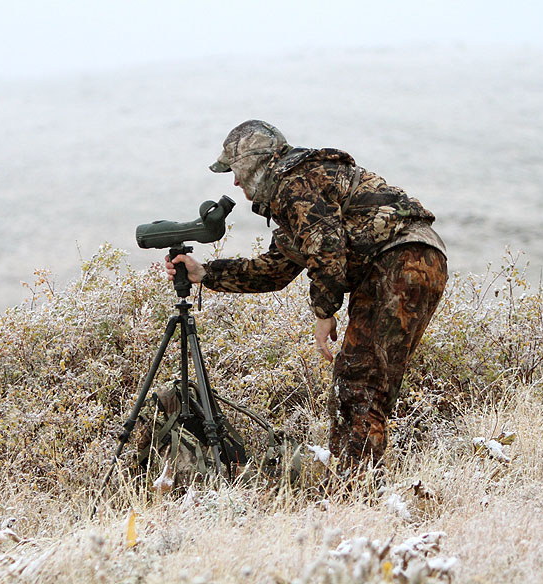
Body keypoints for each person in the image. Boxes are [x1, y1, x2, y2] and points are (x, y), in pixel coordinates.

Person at [165, 119, 448, 469]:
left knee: (360, 383)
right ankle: (350, 476)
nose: (235, 181)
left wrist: (324, 312)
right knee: (360, 380)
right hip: (411, 260)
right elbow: (276, 269)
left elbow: (327, 248)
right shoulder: (298, 190)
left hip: (402, 261)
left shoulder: (295, 183)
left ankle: (357, 485)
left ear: (254, 163)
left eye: (235, 170)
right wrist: (206, 273)